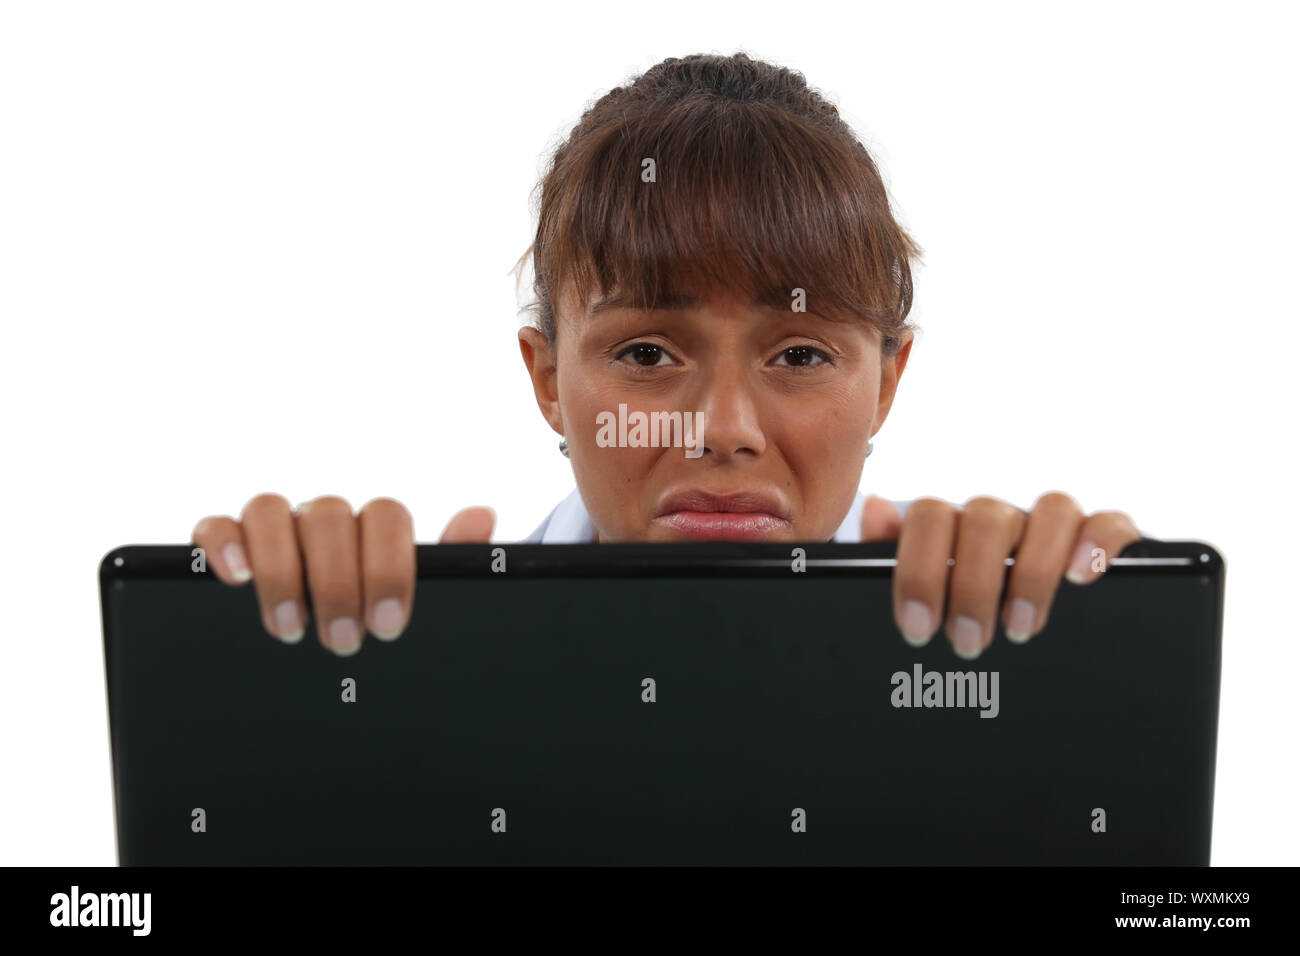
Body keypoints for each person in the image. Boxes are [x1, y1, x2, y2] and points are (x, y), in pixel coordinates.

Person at [192, 52, 1140, 662]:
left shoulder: (1011, 653)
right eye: (647, 350)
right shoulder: (404, 653)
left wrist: (1109, 671)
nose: (723, 429)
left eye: (802, 356)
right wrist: (294, 697)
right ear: (549, 379)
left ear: (887, 383)